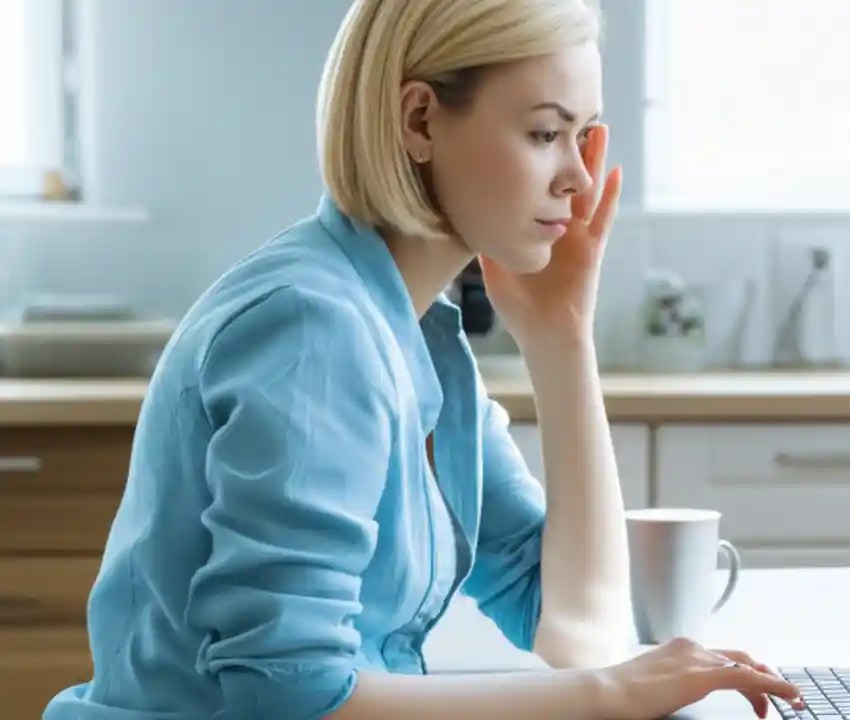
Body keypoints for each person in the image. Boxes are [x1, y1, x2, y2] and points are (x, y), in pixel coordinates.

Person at [44, 1, 805, 718]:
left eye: (585, 136)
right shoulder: (315, 329)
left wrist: (563, 339)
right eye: (546, 134)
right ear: (419, 121)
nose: (577, 177)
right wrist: (607, 695)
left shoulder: (420, 338)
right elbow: (289, 695)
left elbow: (577, 626)